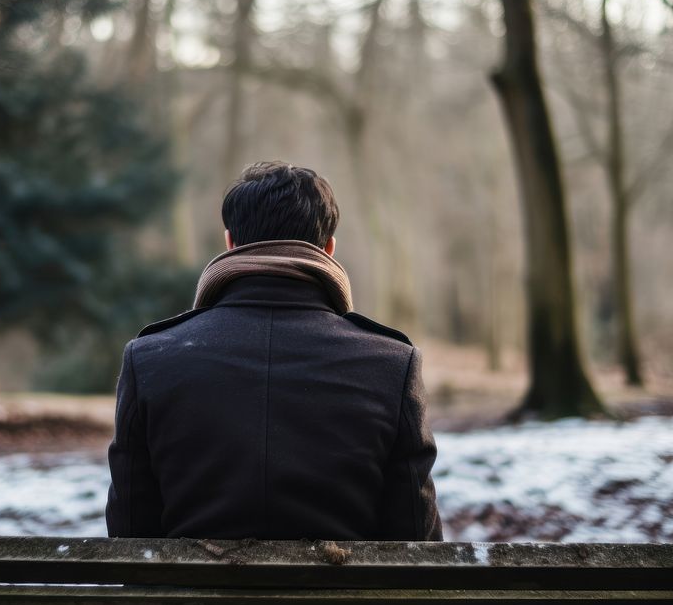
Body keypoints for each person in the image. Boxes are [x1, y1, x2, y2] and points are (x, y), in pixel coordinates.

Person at [106, 161, 442, 540]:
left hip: (185, 600)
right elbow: (415, 539)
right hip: (343, 600)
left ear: (230, 242)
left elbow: (130, 531)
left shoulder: (149, 359)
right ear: (329, 249)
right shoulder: (392, 363)